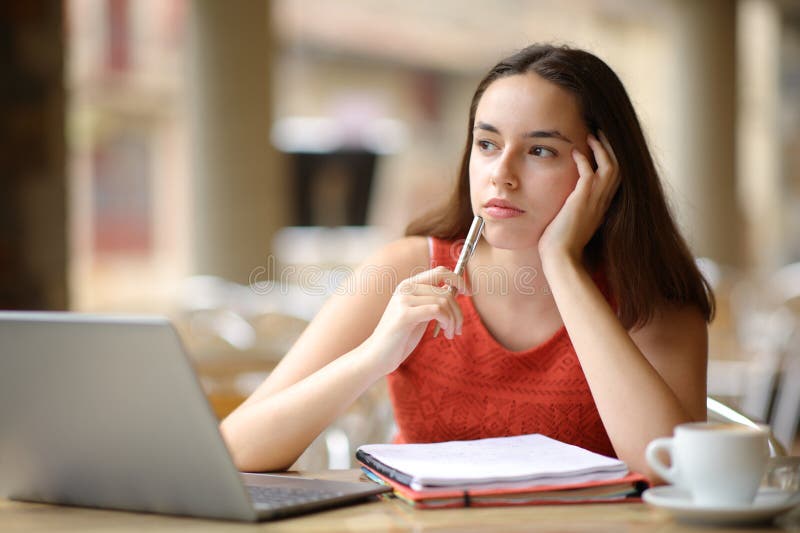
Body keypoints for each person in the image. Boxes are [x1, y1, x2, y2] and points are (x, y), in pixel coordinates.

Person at [220, 44, 714, 478]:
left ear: (604, 170)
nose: (501, 174)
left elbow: (670, 467)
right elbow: (236, 448)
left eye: (540, 150)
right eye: (487, 144)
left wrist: (562, 265)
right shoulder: (406, 268)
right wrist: (375, 357)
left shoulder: (653, 298)